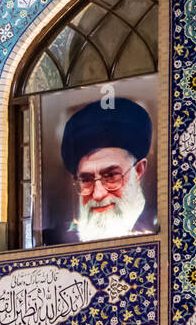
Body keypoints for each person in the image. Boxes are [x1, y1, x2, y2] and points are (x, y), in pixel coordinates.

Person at [58, 97, 155, 242]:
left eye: (111, 176)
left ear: (139, 170)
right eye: (86, 180)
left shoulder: (161, 227)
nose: (98, 194)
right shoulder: (61, 239)